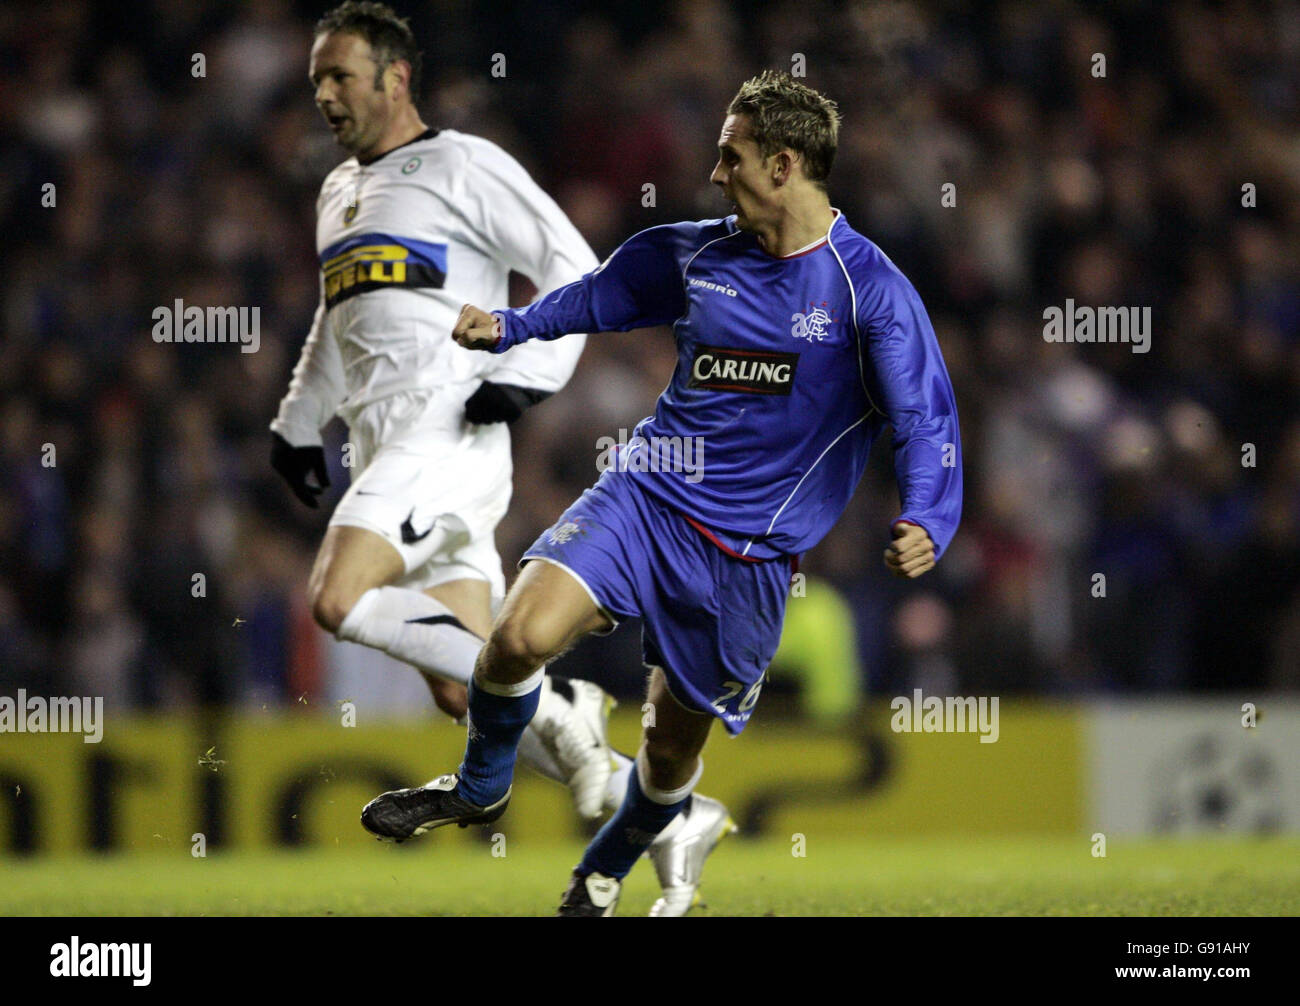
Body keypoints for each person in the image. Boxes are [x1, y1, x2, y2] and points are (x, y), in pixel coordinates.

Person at [360, 68, 964, 916]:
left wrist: (928, 515)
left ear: (785, 165)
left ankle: (601, 872)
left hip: (747, 559)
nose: (716, 174)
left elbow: (924, 417)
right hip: (645, 497)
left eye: (733, 156)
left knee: (669, 751)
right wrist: (512, 325)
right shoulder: (695, 254)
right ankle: (479, 787)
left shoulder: (871, 293)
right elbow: (603, 295)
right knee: (515, 640)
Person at [270, 0, 613, 817]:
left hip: (446, 425)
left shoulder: (463, 164)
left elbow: (573, 262)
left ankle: (569, 711)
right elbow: (337, 319)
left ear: (395, 77)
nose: (323, 95)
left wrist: (530, 369)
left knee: (338, 598)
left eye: (340, 76)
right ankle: (655, 805)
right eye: (316, 77)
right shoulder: (338, 192)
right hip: (378, 436)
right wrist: (295, 422)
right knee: (467, 695)